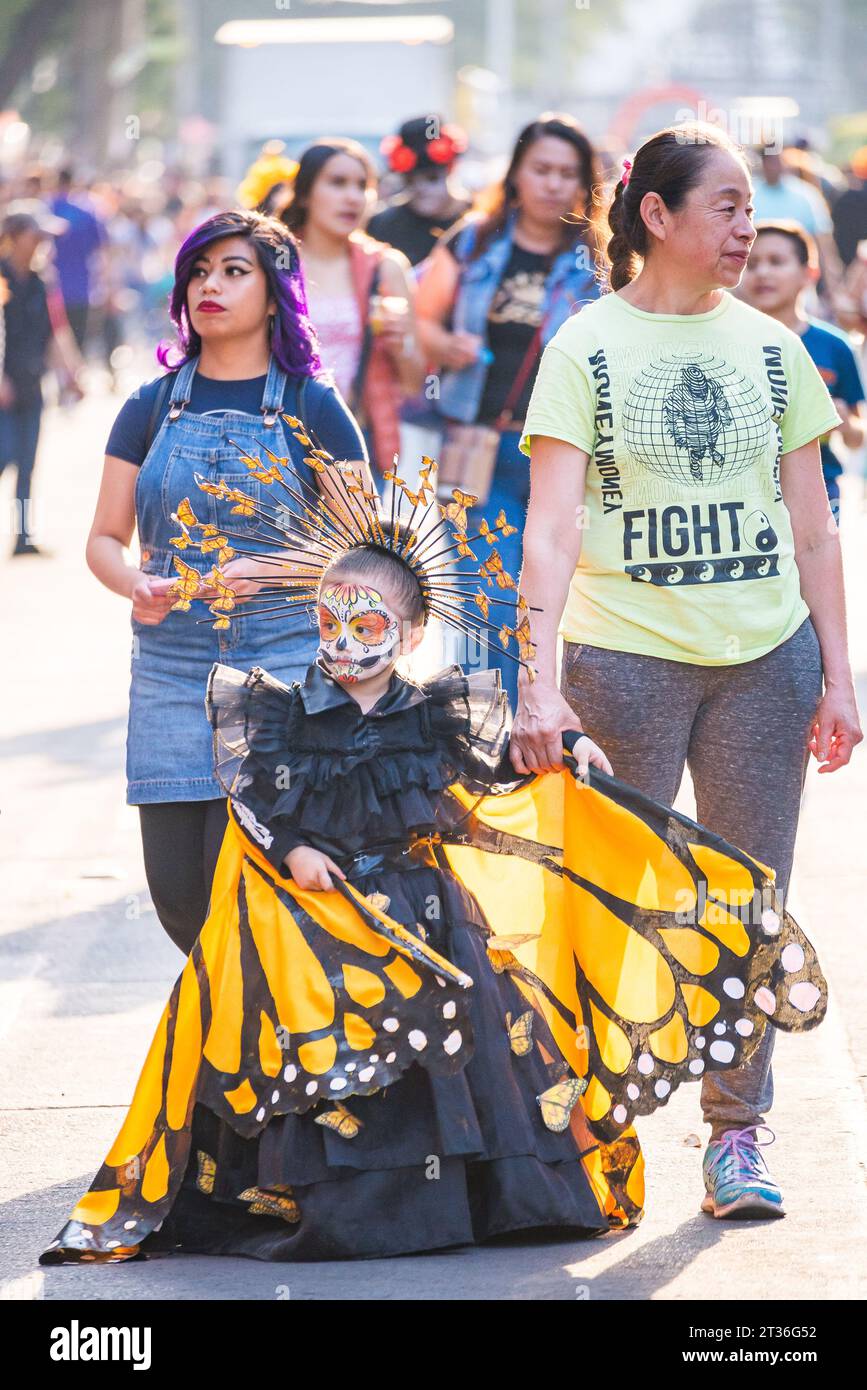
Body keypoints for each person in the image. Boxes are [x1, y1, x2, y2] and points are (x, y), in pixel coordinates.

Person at [39, 447, 828, 1265]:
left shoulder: (437, 715)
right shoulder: (282, 715)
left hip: (430, 922)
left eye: (368, 624)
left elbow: (499, 772)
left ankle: (466, 1200)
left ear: (411, 633)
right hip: (327, 930)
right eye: (328, 621)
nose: (344, 641)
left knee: (460, 1047)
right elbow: (255, 802)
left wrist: (572, 751)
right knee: (336, 1054)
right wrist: (298, 851)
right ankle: (346, 1204)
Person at [512, 123, 863, 1221]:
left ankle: (738, 1135)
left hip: (766, 664)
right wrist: (537, 677)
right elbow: (552, 529)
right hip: (623, 667)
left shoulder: (774, 350)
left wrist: (840, 676)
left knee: (750, 905)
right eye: (725, 204)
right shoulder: (586, 347)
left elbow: (814, 527)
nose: (745, 225)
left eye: (752, 205)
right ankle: (597, 1129)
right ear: (656, 216)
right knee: (611, 904)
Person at [87, 209, 371, 956]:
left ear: (275, 294)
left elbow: (361, 543)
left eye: (234, 271)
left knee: (248, 885)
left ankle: (256, 1055)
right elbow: (103, 539)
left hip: (280, 670)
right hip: (169, 671)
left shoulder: (313, 405)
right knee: (179, 899)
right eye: (200, 273)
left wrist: (269, 568)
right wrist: (131, 583)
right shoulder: (149, 406)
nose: (211, 286)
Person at [415, 113, 604, 709]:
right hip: (479, 447)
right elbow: (420, 319)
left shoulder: (599, 257)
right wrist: (447, 347)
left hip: (565, 454)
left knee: (560, 597)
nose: (552, 184)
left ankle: (552, 722)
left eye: (567, 174)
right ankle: (483, 726)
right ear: (516, 172)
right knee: (483, 593)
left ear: (585, 186)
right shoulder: (474, 241)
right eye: (540, 169)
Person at [280, 139, 426, 471]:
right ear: (304, 194)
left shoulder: (386, 267)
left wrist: (400, 341)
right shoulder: (275, 263)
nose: (353, 197)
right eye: (337, 183)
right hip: (282, 438)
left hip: (356, 440)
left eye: (362, 186)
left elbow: (415, 383)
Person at [742, 221, 866, 523]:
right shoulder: (734, 341)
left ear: (809, 273)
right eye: (753, 263)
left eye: (777, 262)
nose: (763, 273)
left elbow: (856, 437)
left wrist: (841, 421)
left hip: (821, 489)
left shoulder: (835, 346)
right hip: (750, 494)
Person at [0, 200, 73, 555]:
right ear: (14, 237)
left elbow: (55, 331)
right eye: (36, 235)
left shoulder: (42, 282)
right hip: (4, 387)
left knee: (27, 464)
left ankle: (23, 536)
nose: (42, 243)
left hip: (30, 384)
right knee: (5, 455)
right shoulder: (1, 277)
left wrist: (69, 373)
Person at [367, 115, 471, 268]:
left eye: (432, 178)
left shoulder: (481, 219)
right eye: (410, 180)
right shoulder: (381, 223)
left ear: (451, 170)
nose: (421, 188)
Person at [49, 166, 107, 353]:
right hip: (81, 290)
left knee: (49, 344)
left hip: (50, 291)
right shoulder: (88, 213)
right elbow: (102, 251)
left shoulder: (47, 209)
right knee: (77, 345)